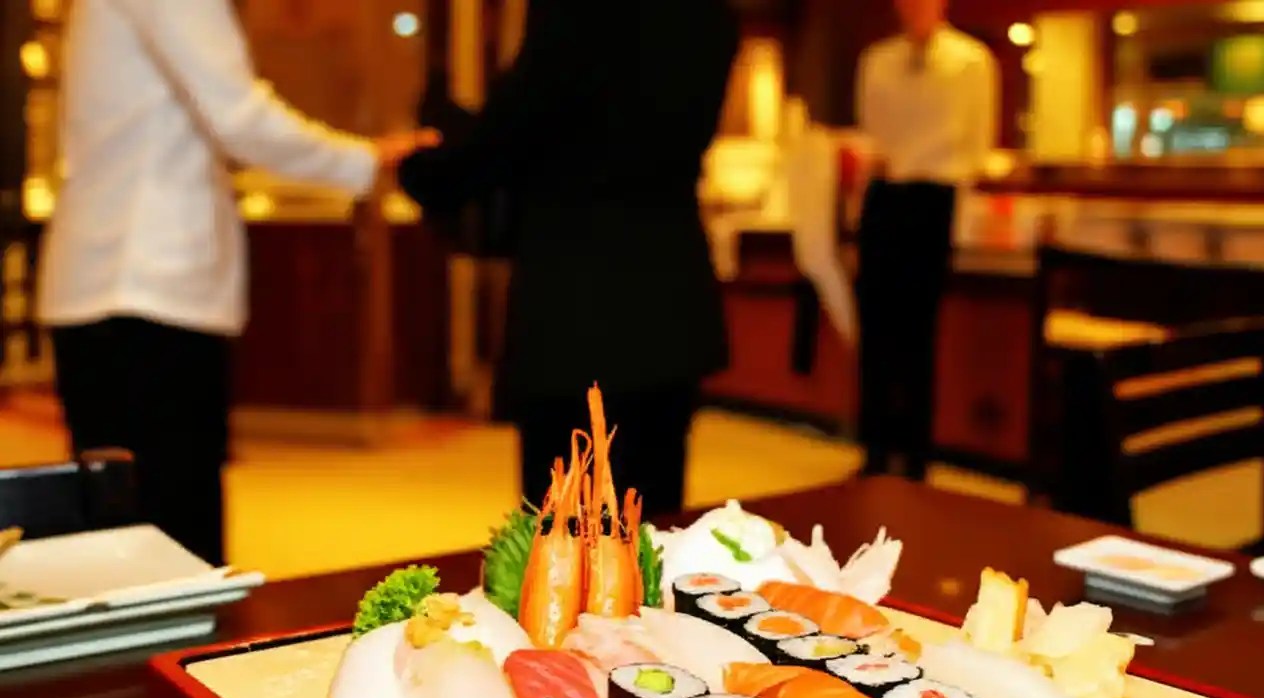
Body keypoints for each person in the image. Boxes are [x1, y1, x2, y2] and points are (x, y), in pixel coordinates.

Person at [37, 0, 436, 565]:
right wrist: (367, 160)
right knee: (168, 542)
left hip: (113, 278)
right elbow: (240, 117)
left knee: (118, 530)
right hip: (147, 285)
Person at [398, 0, 740, 514]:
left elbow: (514, 131)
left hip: (574, 304)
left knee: (568, 535)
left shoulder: (578, 13)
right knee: (653, 519)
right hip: (668, 291)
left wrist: (419, 166)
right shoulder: (711, 13)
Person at [854, 0, 997, 481]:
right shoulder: (877, 60)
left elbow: (978, 143)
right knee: (875, 333)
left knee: (918, 335)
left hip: (934, 200)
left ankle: (916, 457)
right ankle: (874, 449)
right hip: (884, 196)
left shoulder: (972, 61)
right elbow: (872, 132)